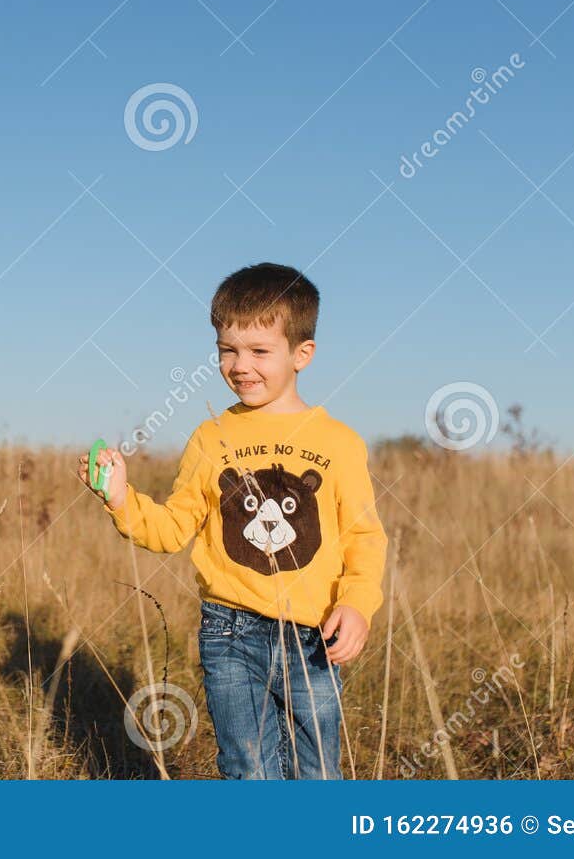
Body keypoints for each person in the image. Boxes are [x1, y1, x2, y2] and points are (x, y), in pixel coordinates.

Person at [82, 262, 386, 779]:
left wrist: (357, 605)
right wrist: (121, 499)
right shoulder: (210, 438)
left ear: (302, 354)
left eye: (259, 351)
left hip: (312, 634)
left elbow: (363, 537)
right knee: (247, 767)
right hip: (229, 630)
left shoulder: (339, 443)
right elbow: (174, 527)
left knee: (318, 772)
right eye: (228, 350)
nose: (240, 365)